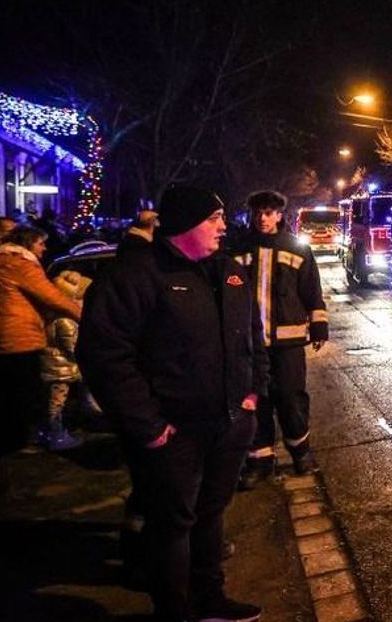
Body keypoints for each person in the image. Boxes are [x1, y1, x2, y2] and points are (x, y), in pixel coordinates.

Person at [78, 184, 267, 622]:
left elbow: (252, 338)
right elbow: (105, 355)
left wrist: (254, 392)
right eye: (213, 219)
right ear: (183, 224)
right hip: (173, 432)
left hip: (229, 422)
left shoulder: (229, 271)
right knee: (171, 525)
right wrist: (148, 424)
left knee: (211, 514)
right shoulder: (137, 275)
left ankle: (210, 597)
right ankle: (174, 610)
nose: (224, 226)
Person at [233, 190, 327, 489]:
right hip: (249, 344)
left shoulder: (296, 248)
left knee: (290, 397)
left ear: (279, 215)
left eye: (269, 212)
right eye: (258, 212)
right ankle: (260, 460)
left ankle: (300, 452)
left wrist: (319, 325)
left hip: (288, 344)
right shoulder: (238, 248)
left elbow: (311, 288)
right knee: (255, 402)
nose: (263, 218)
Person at [0, 225, 82, 456]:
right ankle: (12, 442)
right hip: (17, 337)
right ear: (28, 243)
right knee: (18, 394)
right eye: (40, 243)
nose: (44, 248)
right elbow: (51, 295)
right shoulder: (19, 264)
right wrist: (82, 314)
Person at [37, 270, 93, 451]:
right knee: (56, 403)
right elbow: (73, 347)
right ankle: (55, 434)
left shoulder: (53, 317)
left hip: (55, 367)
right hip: (60, 370)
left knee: (53, 401)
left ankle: (49, 431)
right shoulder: (66, 321)